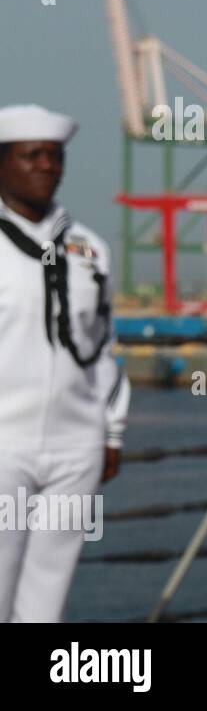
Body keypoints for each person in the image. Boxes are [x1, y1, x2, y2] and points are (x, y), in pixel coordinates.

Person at [0, 104, 128, 622]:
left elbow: (103, 348)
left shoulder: (89, 250)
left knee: (46, 599)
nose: (47, 166)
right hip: (3, 441)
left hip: (76, 443)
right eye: (32, 155)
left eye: (55, 156)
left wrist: (111, 433)